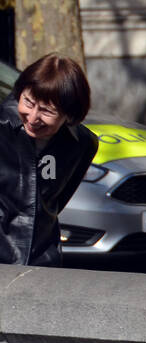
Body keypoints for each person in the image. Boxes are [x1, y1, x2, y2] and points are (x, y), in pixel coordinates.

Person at [0, 54, 98, 267]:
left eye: (46, 111)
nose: (33, 117)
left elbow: (54, 203)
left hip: (42, 265)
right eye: (28, 102)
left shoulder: (82, 144)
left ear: (69, 115)